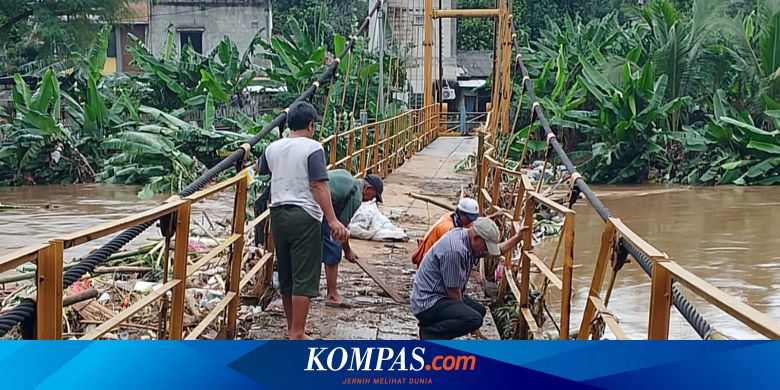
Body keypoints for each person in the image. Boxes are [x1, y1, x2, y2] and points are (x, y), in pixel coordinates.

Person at [256, 101, 349, 340]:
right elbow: (318, 184)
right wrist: (332, 219)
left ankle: (291, 329)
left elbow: (260, 170)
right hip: (304, 216)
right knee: (303, 277)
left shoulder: (272, 148)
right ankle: (298, 332)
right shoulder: (313, 148)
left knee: (286, 274)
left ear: (288, 125)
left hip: (277, 214)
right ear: (310, 125)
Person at [410, 218, 527, 340]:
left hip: (439, 294)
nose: (485, 250)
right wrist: (475, 329)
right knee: (473, 319)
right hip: (428, 303)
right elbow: (453, 292)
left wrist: (518, 237)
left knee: (479, 311)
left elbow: (497, 251)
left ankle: (433, 326)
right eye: (486, 246)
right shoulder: (455, 250)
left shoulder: (467, 238)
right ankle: (430, 334)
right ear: (477, 238)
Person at [322, 169, 384, 307]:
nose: (369, 200)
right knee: (334, 248)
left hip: (305, 199)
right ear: (368, 188)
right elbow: (340, 232)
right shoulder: (355, 196)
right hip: (318, 202)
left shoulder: (347, 176)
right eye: (373, 197)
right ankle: (332, 295)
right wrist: (347, 251)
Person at [411, 198, 486, 268]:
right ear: (460, 212)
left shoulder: (453, 217)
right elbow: (457, 250)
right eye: (469, 218)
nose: (471, 222)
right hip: (429, 263)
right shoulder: (447, 229)